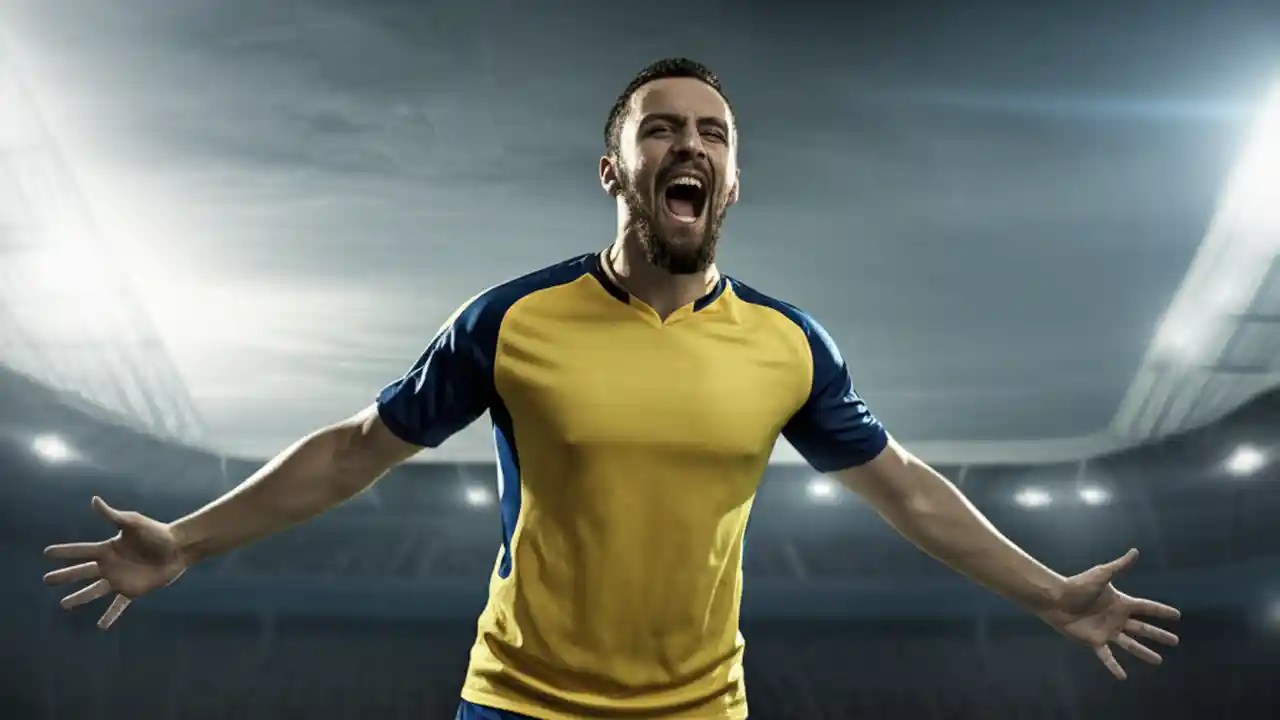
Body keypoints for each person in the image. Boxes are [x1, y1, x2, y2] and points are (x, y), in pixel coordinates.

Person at [43, 58, 1181, 719]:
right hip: (517, 704)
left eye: (713, 134)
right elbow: (353, 451)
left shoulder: (789, 345)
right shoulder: (511, 321)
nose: (690, 145)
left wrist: (1048, 594)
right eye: (661, 129)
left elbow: (906, 489)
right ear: (613, 169)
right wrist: (185, 542)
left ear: (732, 180)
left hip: (700, 711)